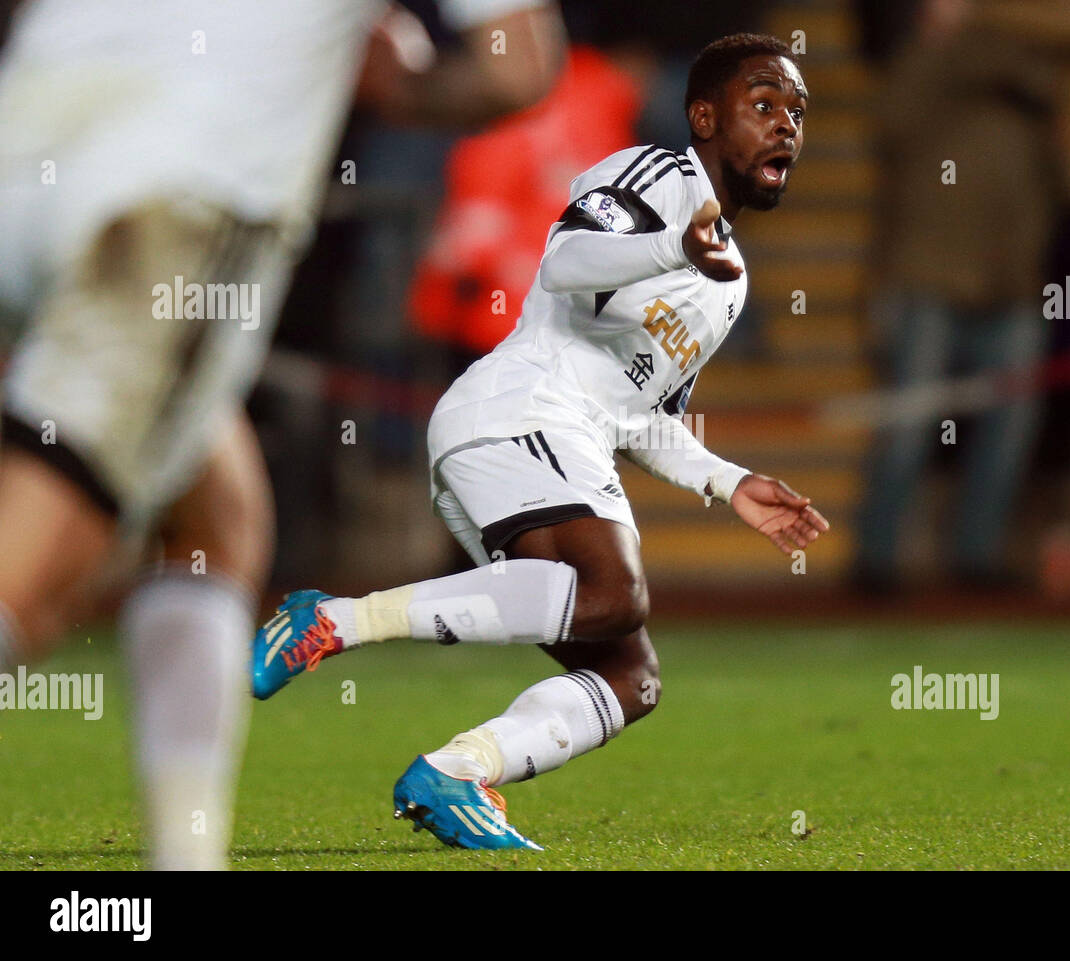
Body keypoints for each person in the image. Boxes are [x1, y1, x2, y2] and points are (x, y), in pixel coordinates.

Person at [0, 0, 564, 870]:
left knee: (214, 523)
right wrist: (406, 88)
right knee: (27, 588)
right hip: (168, 195)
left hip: (24, 154)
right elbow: (515, 65)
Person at [250, 33, 828, 850]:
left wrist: (727, 481)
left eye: (797, 111)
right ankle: (337, 620)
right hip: (519, 410)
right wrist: (673, 245)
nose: (785, 126)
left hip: (554, 440)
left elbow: (636, 411)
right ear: (703, 116)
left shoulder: (728, 283)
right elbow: (562, 264)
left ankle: (459, 769)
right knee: (614, 592)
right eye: (764, 103)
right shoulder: (658, 176)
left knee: (630, 676)